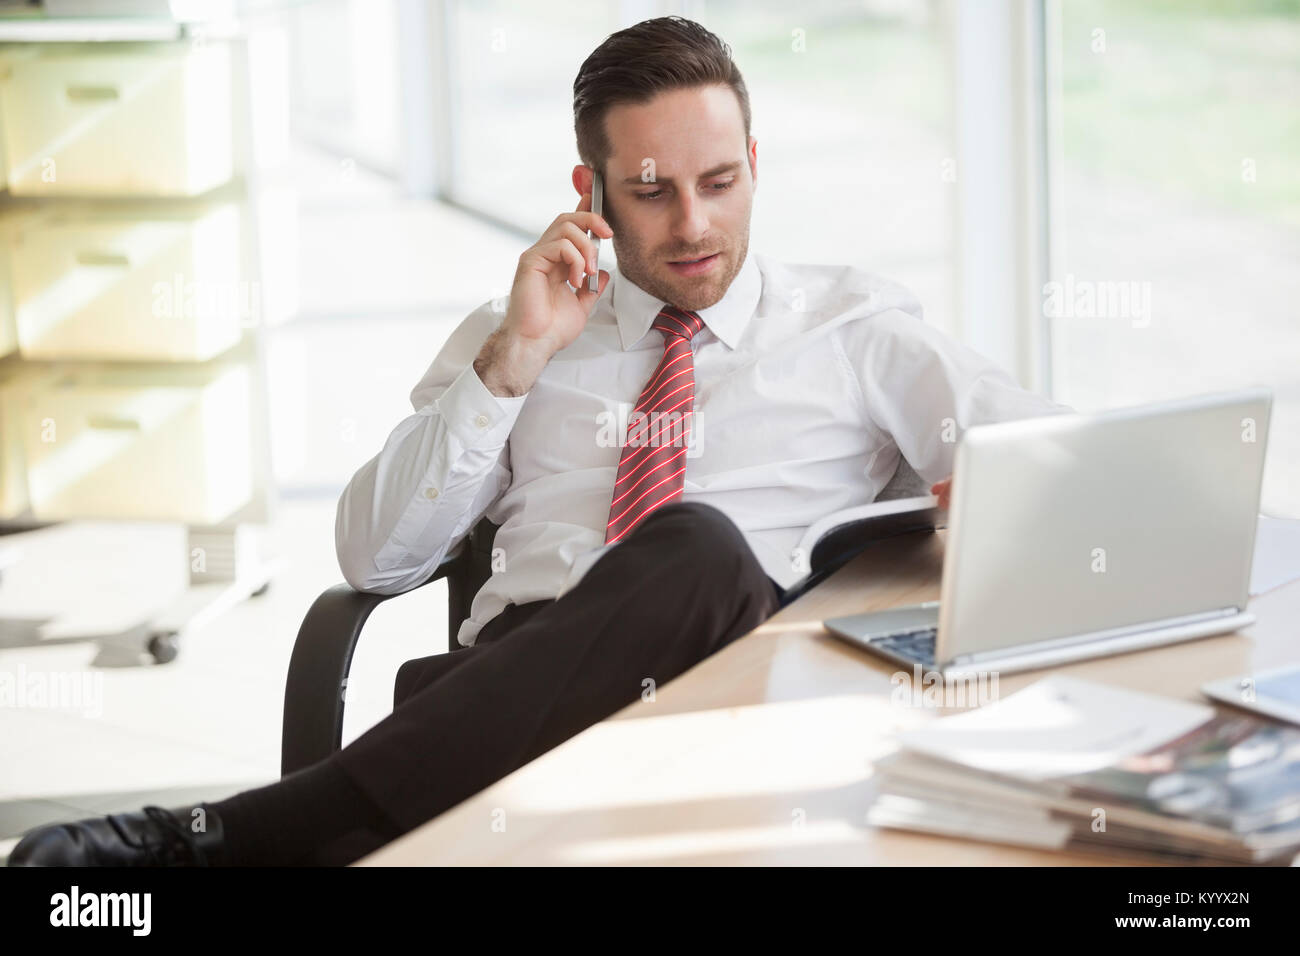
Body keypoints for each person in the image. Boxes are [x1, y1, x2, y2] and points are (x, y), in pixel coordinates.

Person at [8, 15, 1068, 867]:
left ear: (753, 162)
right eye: (650, 192)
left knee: (696, 544)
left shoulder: (854, 326)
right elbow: (371, 562)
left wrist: (964, 508)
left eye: (718, 182)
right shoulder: (516, 329)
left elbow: (1050, 471)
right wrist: (511, 365)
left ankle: (236, 833)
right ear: (591, 192)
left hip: (721, 702)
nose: (693, 223)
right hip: (496, 706)